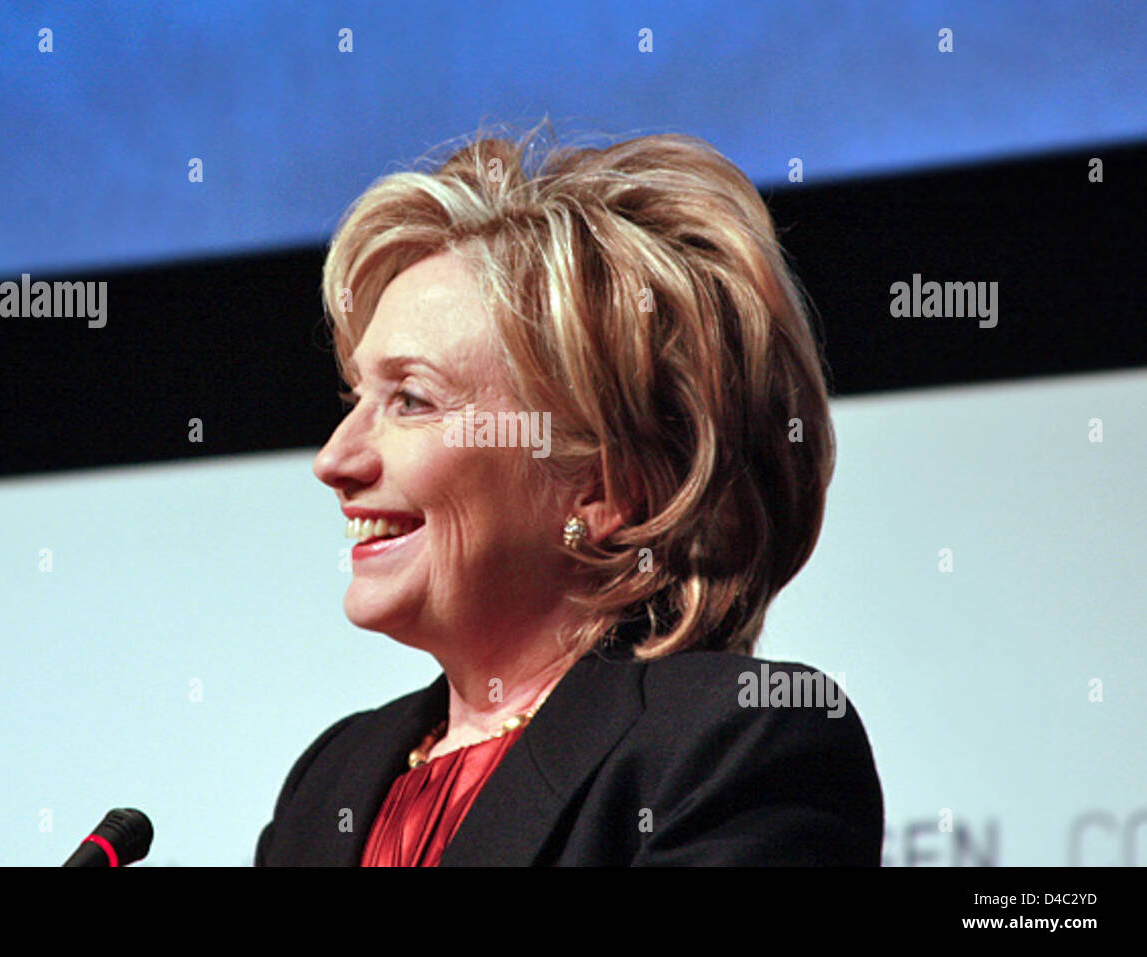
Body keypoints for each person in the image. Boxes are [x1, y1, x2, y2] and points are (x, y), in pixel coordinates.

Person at [255, 123, 883, 866]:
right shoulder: (332, 780)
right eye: (356, 396)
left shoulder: (735, 743)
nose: (335, 458)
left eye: (412, 400)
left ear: (604, 487)